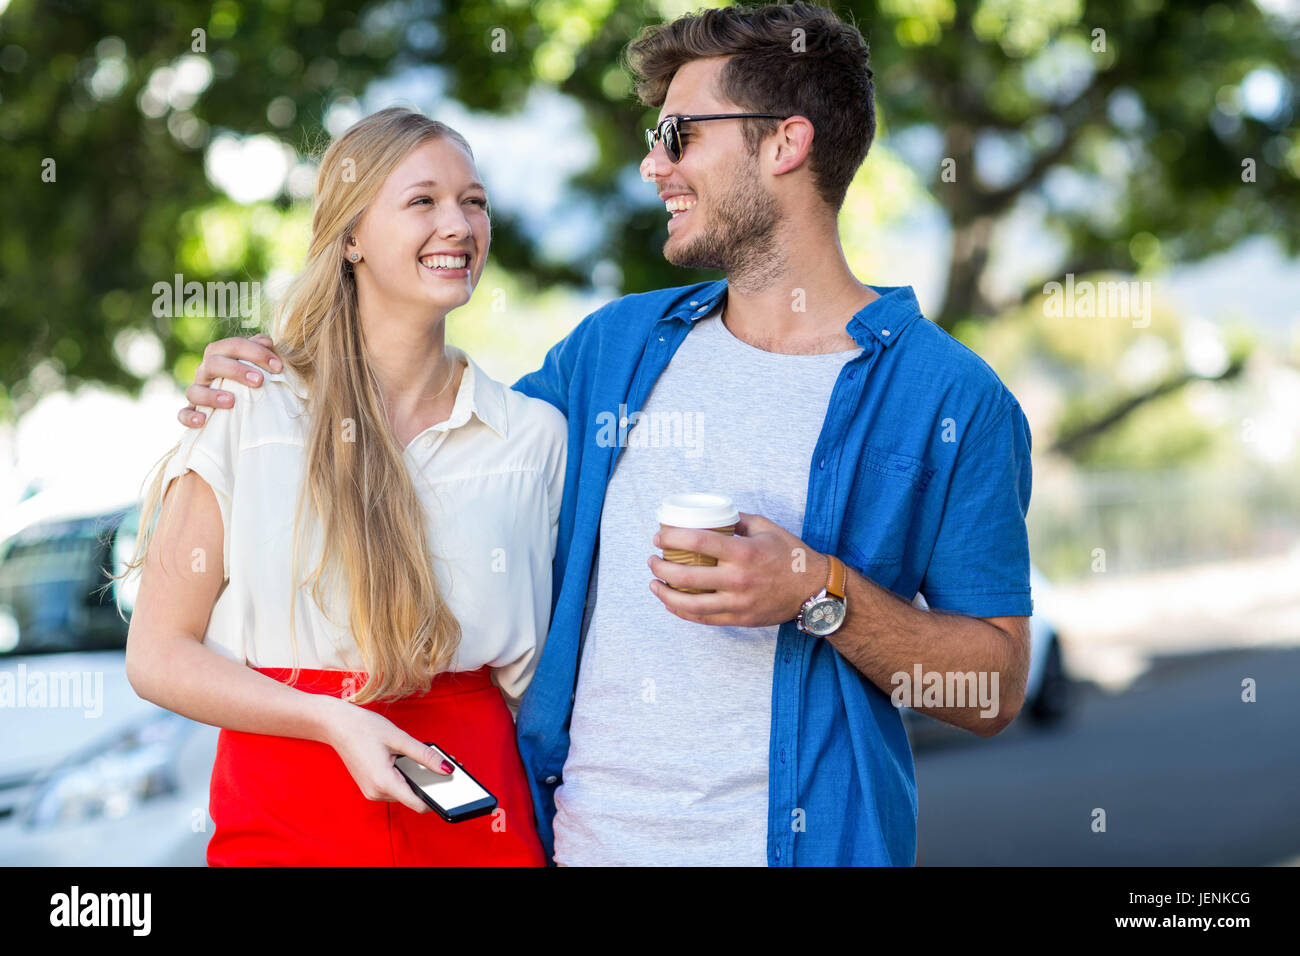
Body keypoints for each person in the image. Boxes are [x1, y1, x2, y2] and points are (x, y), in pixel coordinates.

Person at [179, 2, 1032, 867]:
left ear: (785, 144)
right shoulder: (613, 351)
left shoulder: (950, 398)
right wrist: (286, 377)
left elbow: (992, 690)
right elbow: (433, 444)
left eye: (678, 134)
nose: (651, 163)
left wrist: (818, 590)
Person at [127, 107, 564, 866]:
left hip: (472, 807)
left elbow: (544, 681)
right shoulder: (248, 407)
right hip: (289, 801)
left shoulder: (533, 436)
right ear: (352, 238)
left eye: (475, 201)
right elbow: (159, 654)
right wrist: (332, 720)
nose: (458, 224)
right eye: (423, 201)